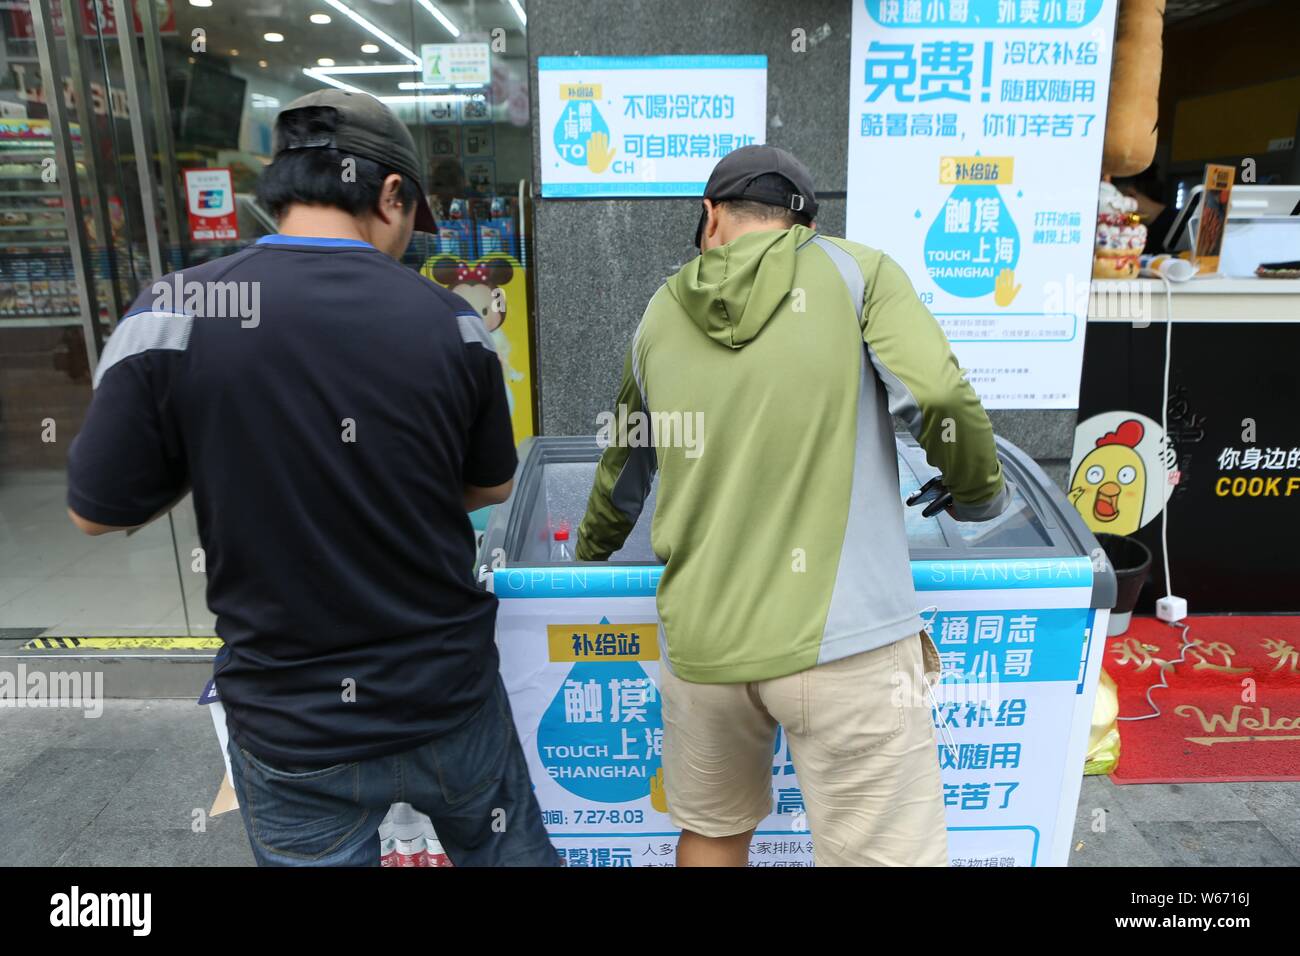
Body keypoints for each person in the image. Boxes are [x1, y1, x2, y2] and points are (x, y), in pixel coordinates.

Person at [65, 90, 559, 867]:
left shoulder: (175, 311)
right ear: (390, 193)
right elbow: (491, 486)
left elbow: (97, 512)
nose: (405, 242)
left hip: (292, 726)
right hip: (446, 703)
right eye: (409, 218)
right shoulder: (453, 322)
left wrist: (232, 462)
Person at [576, 144, 1007, 867]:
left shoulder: (659, 311)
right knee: (881, 852)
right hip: (847, 643)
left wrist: (586, 556)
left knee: (713, 831)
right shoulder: (857, 272)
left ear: (709, 216)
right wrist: (976, 492)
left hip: (705, 644)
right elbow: (936, 395)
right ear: (804, 221)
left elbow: (624, 464)